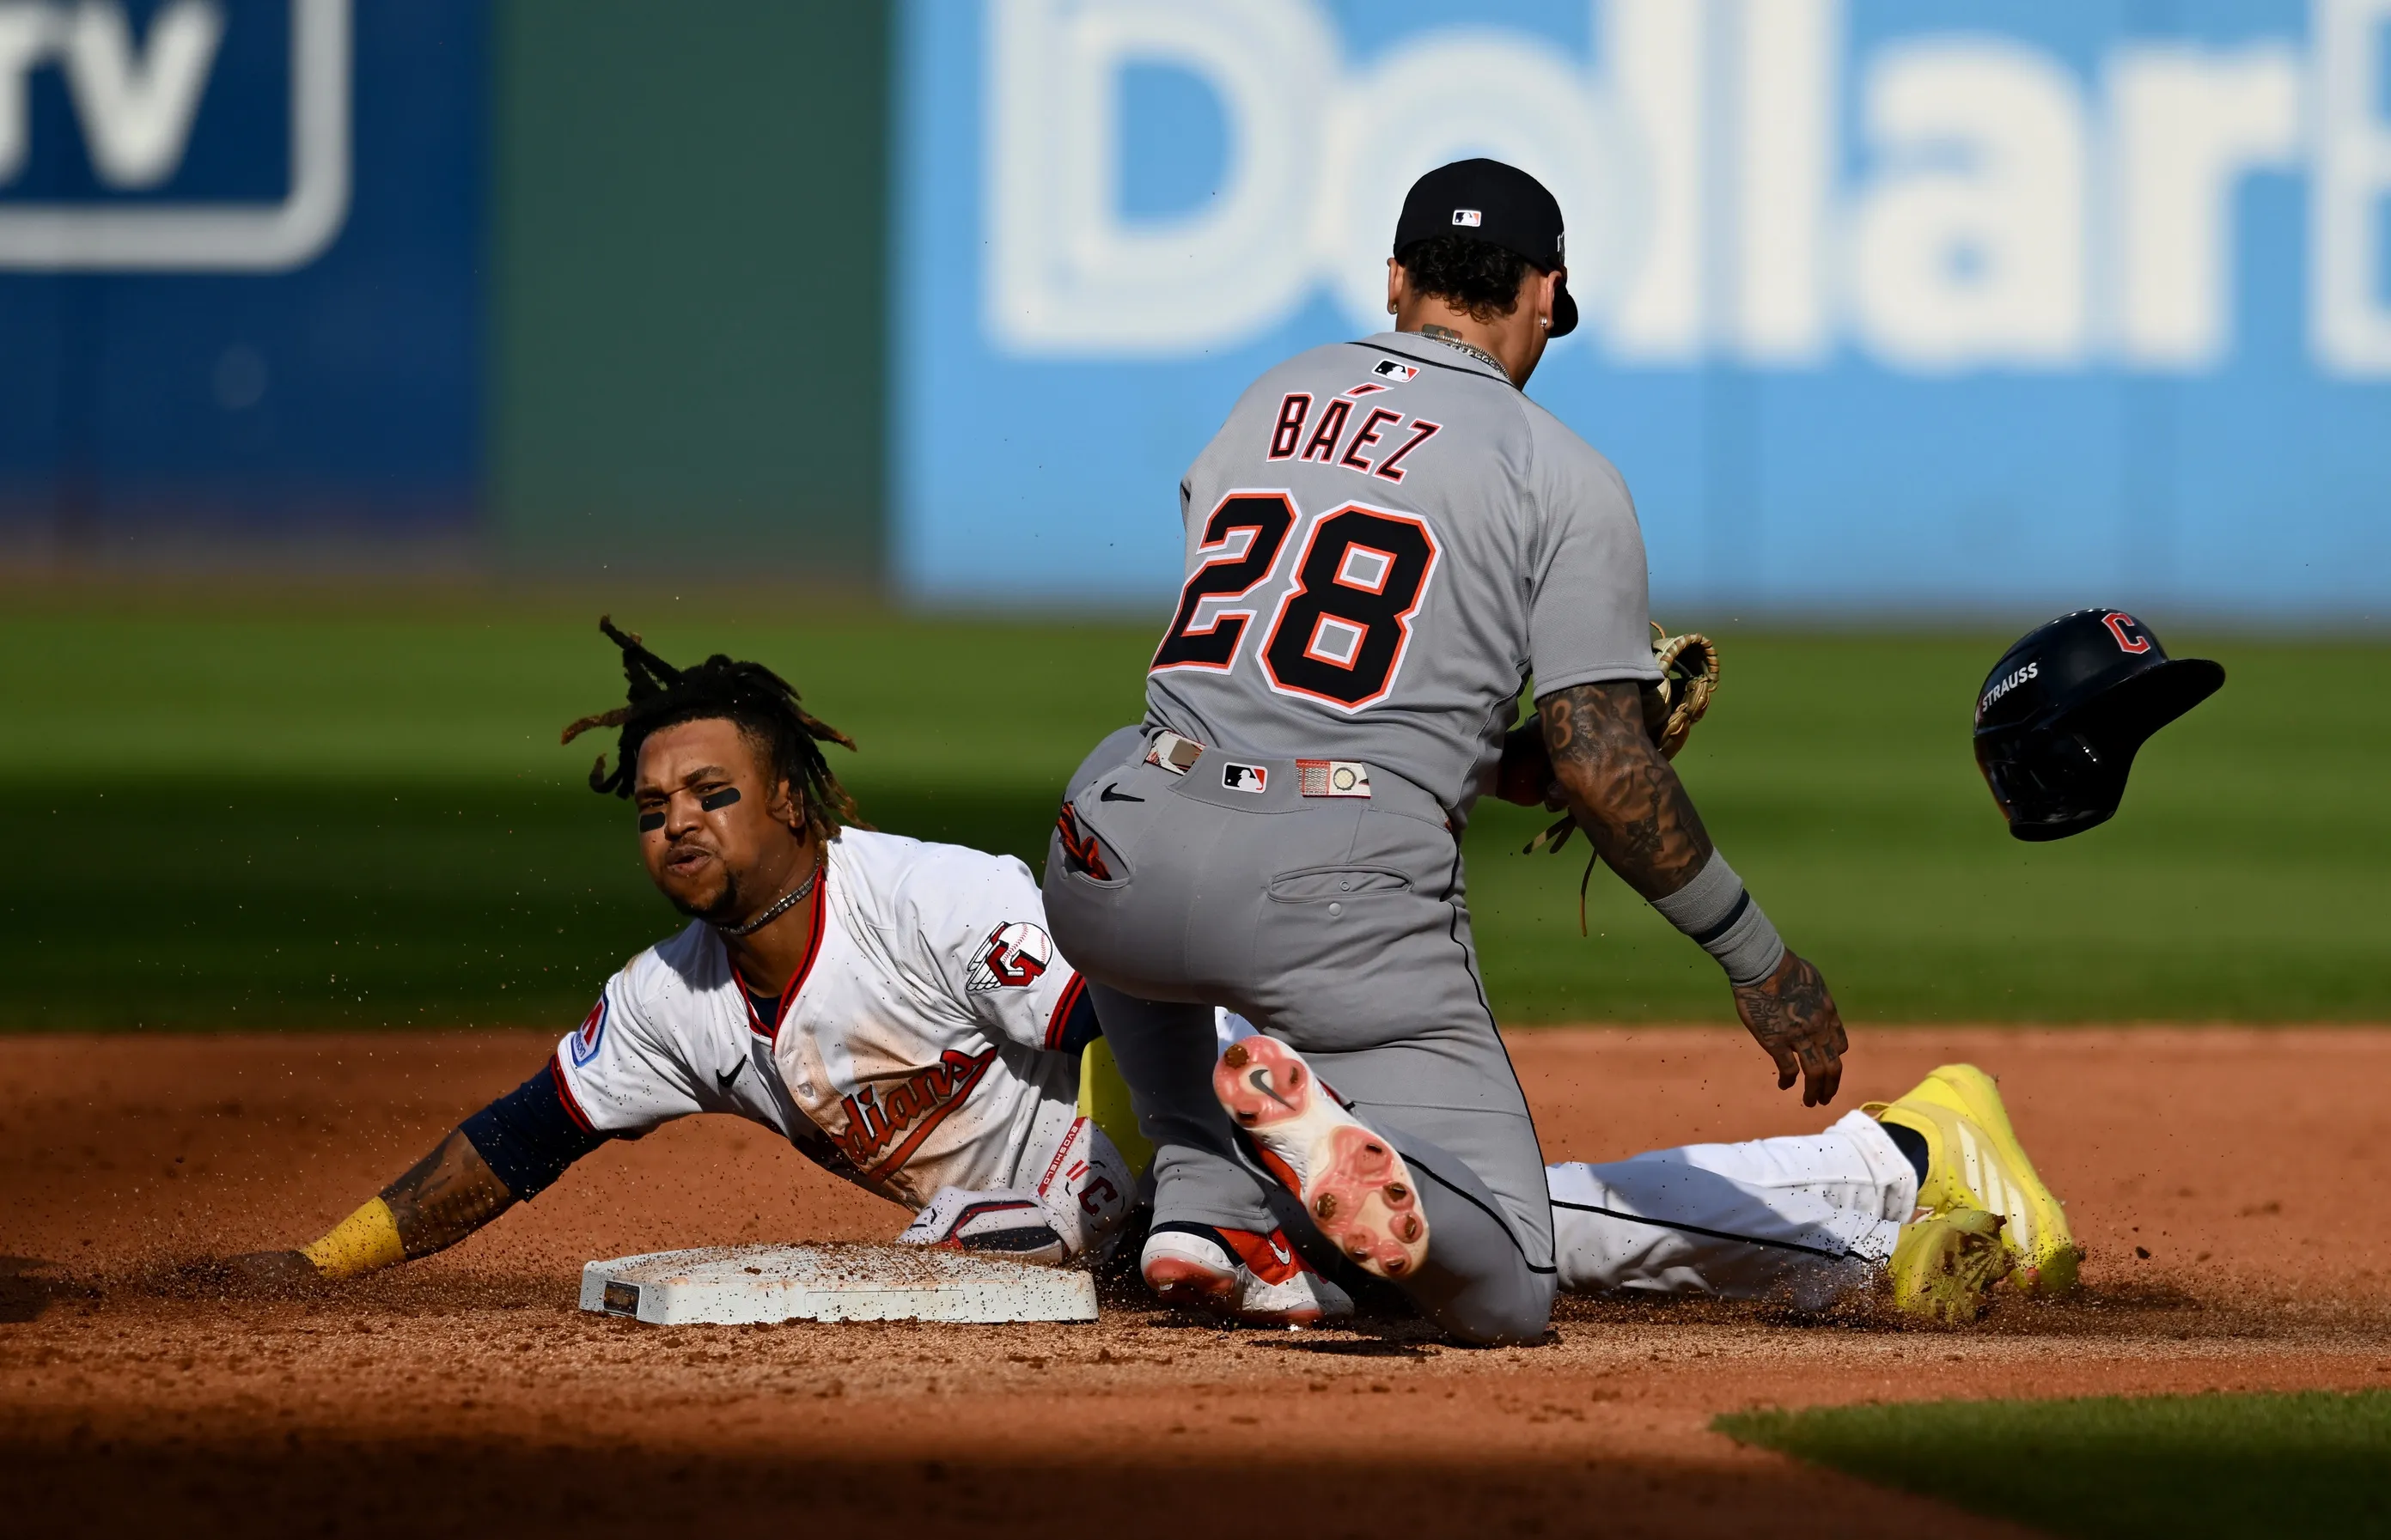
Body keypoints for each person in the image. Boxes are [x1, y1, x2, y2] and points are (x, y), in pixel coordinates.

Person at [235, 623, 2072, 1329]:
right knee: (1508, 1234)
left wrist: (1212, 1176)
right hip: (1090, 1221)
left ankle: (1884, 1182)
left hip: (1191, 1101)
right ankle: (1898, 1165)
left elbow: (1133, 1002)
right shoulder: (673, 1004)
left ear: (801, 800)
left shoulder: (930, 898)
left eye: (713, 791)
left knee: (1460, 1249)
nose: (679, 826)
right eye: (652, 807)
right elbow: (517, 1133)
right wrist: (325, 1263)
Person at [1039, 157, 1868, 1347]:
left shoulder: (1270, 395)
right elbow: (1602, 766)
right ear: (1544, 291)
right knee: (1509, 1279)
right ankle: (1338, 1187)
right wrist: (1757, 957)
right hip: (1320, 896)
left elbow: (1276, 678)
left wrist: (1496, 755)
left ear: (1395, 282)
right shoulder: (1561, 473)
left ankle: (1201, 1192)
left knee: (1149, 776)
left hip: (1111, 852)